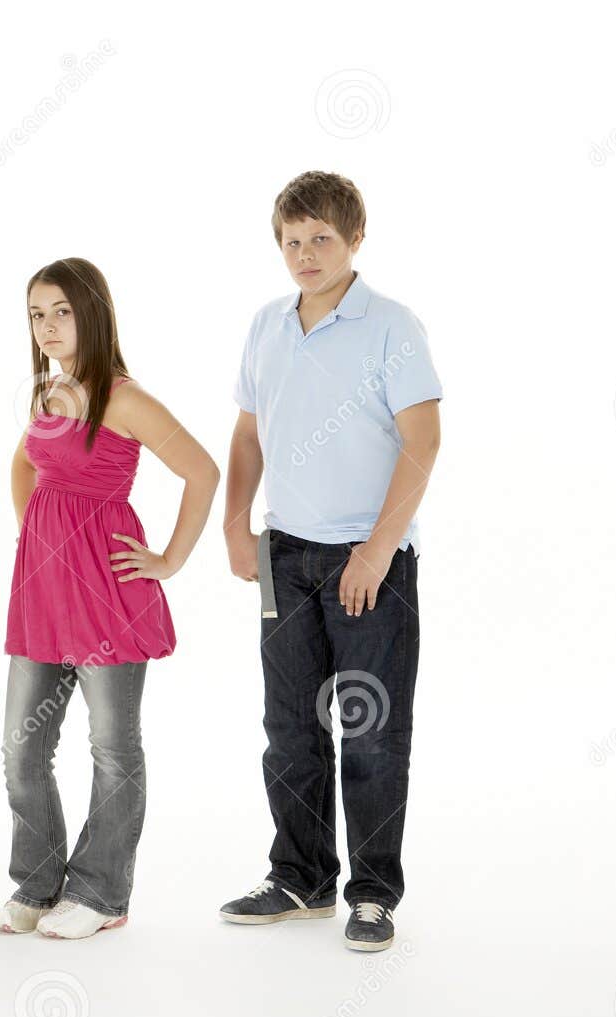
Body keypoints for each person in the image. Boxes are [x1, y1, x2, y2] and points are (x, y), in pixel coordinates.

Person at [218, 171, 443, 952]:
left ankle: (373, 891)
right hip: (286, 554)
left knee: (372, 733)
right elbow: (248, 435)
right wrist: (235, 525)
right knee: (290, 729)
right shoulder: (266, 325)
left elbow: (424, 443)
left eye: (321, 238)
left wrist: (377, 549)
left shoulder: (391, 325)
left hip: (368, 562)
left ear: (355, 238)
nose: (306, 254)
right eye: (292, 241)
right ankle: (300, 876)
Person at [0, 258, 219, 940]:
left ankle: (101, 890)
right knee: (19, 748)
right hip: (44, 592)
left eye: (61, 310)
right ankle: (37, 884)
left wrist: (170, 560)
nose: (48, 326)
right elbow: (24, 463)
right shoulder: (47, 390)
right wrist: (36, 536)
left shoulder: (123, 397)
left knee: (112, 745)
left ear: (92, 312)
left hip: (107, 594)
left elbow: (202, 470)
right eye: (37, 314)